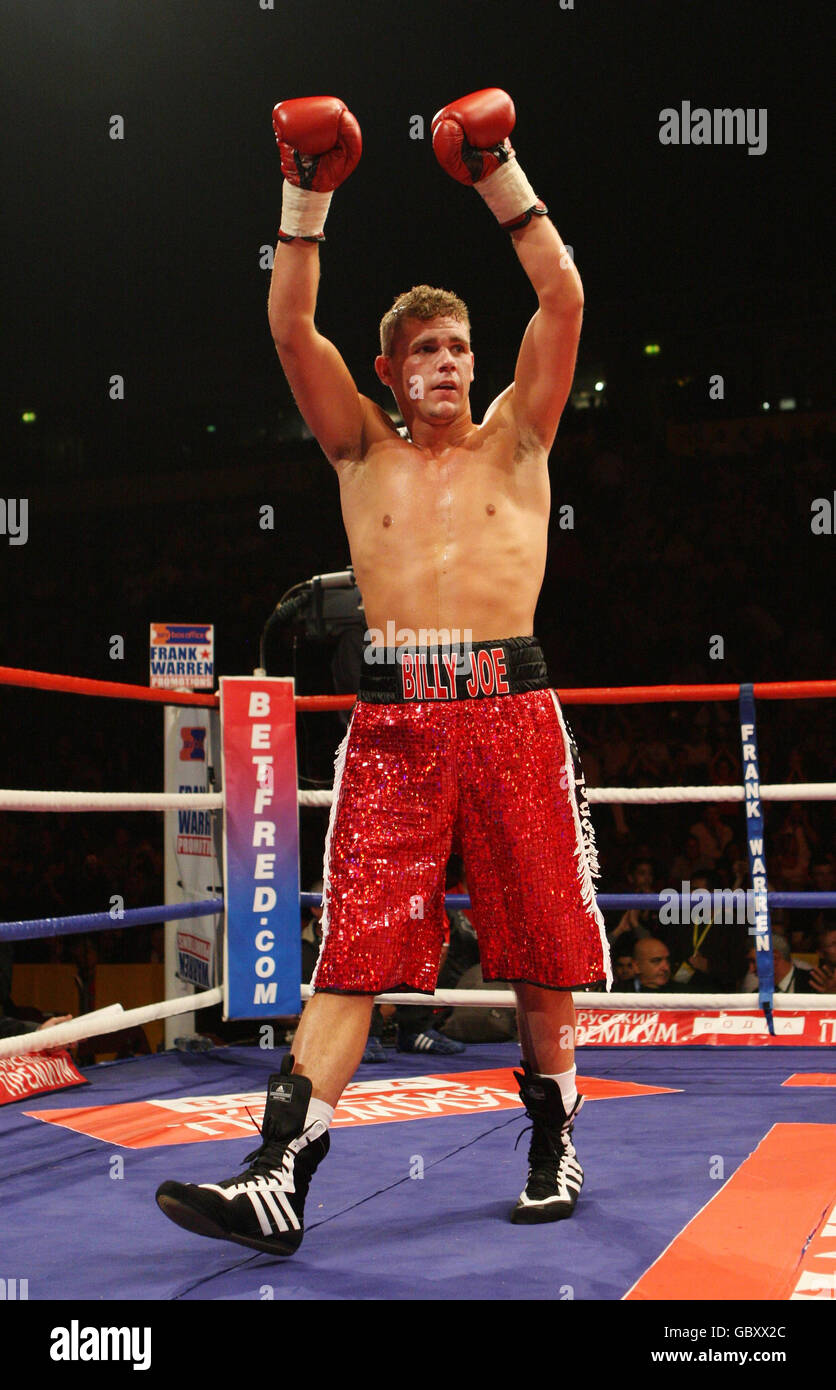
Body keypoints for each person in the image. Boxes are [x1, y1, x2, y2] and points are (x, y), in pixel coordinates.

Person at [157, 87, 609, 1256]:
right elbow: (285, 330)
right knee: (354, 946)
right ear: (390, 368)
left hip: (511, 710)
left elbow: (560, 295)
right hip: (396, 728)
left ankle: (554, 1141)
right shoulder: (359, 448)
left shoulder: (522, 435)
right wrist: (305, 190)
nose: (449, 363)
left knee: (540, 946)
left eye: (459, 346)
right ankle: (277, 1173)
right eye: (425, 351)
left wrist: (498, 172)